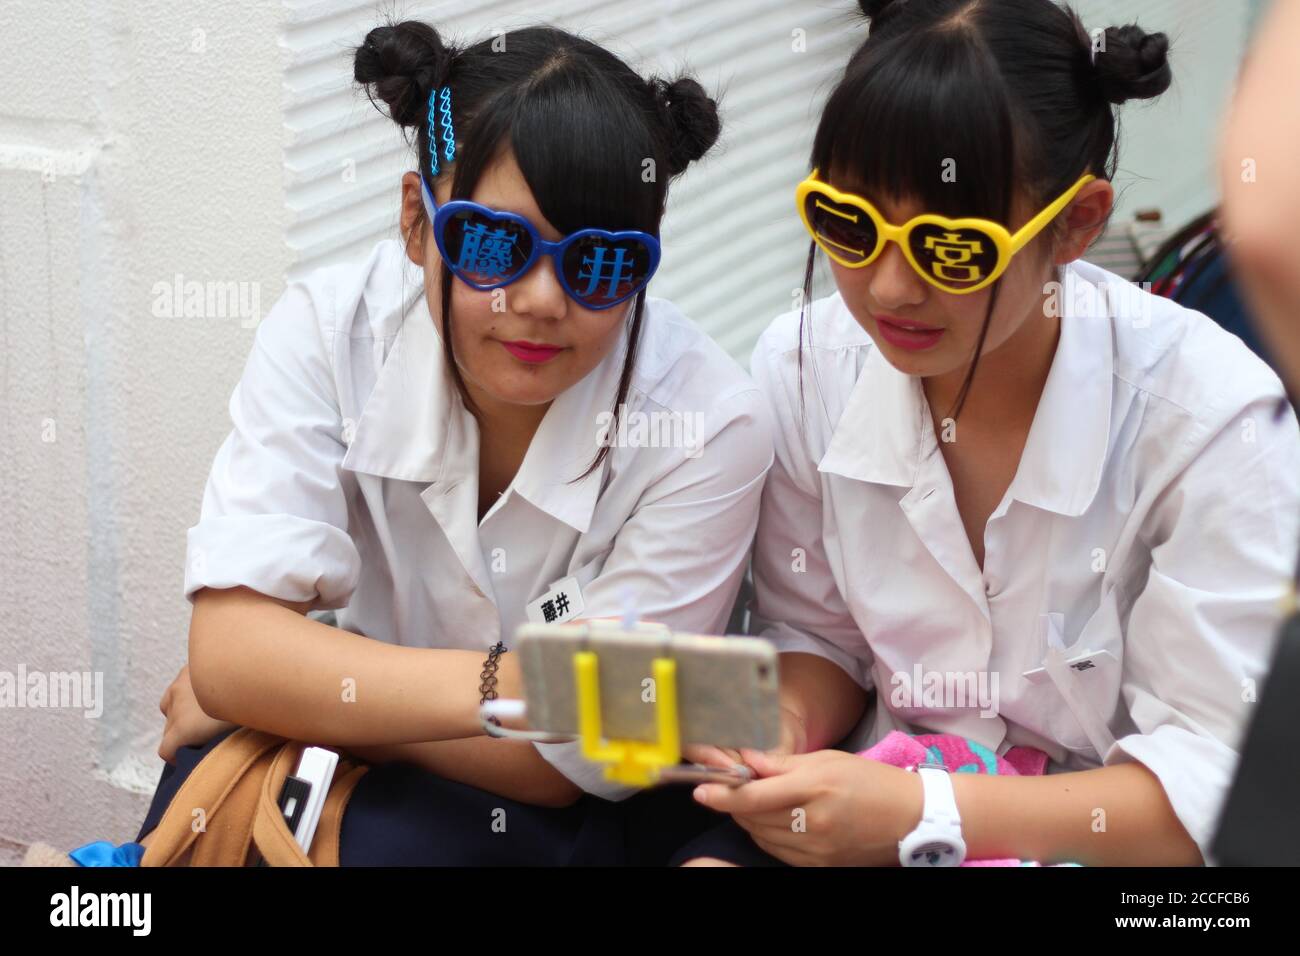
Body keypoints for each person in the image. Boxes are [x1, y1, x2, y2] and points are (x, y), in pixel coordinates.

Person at [680, 0, 1300, 867]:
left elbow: (1207, 790)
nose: (888, 289)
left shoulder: (1211, 421)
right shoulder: (804, 363)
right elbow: (819, 637)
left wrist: (926, 810)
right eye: (849, 226)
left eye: (951, 249)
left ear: (1078, 224)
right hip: (880, 792)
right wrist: (778, 727)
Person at [142, 19, 773, 865]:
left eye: (603, 263)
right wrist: (518, 687)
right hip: (377, 767)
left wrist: (293, 694)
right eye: (492, 244)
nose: (544, 299)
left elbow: (571, 762)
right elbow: (228, 653)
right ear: (416, 221)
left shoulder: (710, 423)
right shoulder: (330, 333)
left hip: (572, 815)